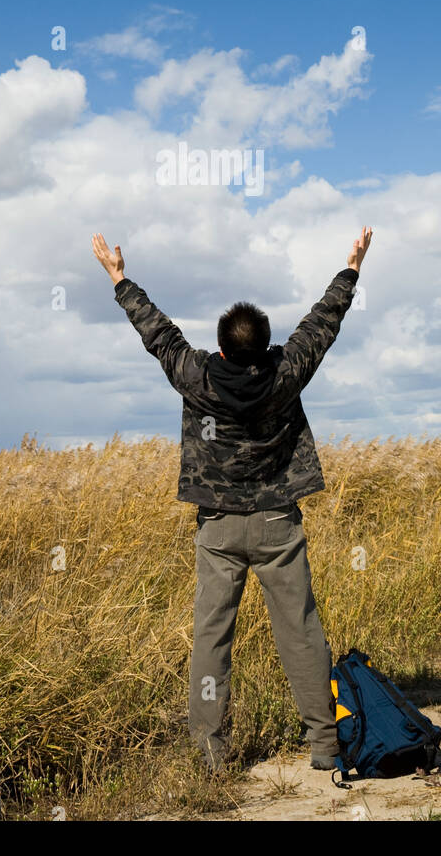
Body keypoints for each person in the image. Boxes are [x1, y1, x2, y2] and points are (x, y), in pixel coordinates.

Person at [91, 226, 373, 773]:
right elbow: (323, 323)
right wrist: (352, 268)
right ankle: (323, 744)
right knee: (301, 630)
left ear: (221, 346)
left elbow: (158, 334)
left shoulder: (196, 376)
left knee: (211, 638)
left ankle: (211, 754)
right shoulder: (287, 371)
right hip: (277, 526)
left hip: (217, 529)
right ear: (267, 344)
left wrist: (119, 277)